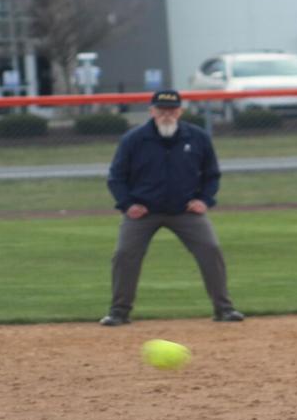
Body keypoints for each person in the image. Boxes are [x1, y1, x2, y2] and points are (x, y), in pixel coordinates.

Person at [100, 90, 244, 326]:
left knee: (210, 249)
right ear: (152, 111)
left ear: (180, 111)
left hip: (185, 210)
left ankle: (224, 309)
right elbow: (116, 177)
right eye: (161, 110)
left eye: (171, 110)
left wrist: (204, 200)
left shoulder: (197, 137)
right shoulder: (134, 139)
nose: (166, 115)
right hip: (143, 211)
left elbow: (212, 175)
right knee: (125, 254)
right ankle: (119, 312)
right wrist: (128, 204)